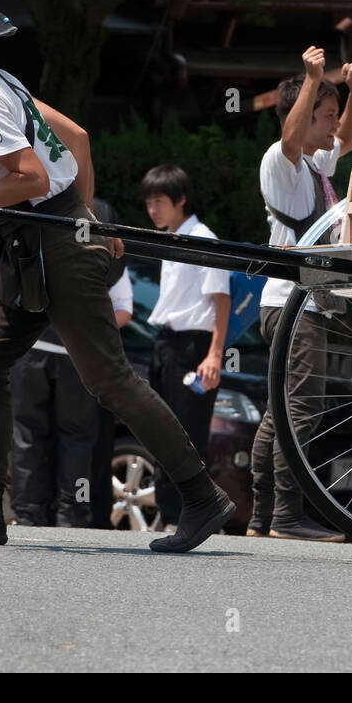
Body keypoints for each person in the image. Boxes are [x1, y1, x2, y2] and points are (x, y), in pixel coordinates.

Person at [0, 0, 232, 550]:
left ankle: (201, 497)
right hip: (34, 241)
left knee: (108, 380)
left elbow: (31, 175)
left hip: (53, 245)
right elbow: (80, 138)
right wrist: (86, 217)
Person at [247, 45, 352, 541]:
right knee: (301, 409)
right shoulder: (283, 159)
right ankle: (285, 516)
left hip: (298, 303)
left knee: (280, 412)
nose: (335, 125)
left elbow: (349, 142)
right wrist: (312, 78)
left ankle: (262, 517)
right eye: (327, 115)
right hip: (294, 304)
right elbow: (292, 136)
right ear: (303, 112)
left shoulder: (316, 164)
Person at [10, 230, 133, 528]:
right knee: (77, 437)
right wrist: (90, 328)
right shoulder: (102, 223)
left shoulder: (33, 213)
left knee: (28, 434)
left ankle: (28, 513)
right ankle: (73, 512)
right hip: (75, 351)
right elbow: (124, 308)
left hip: (32, 344)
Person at [142, 165, 231, 517]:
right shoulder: (172, 237)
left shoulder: (203, 238)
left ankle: (191, 513)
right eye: (148, 202)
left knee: (188, 436)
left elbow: (220, 299)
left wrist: (214, 355)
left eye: (159, 201)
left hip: (195, 347)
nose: (152, 210)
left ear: (181, 200)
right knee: (161, 431)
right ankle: (168, 514)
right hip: (165, 343)